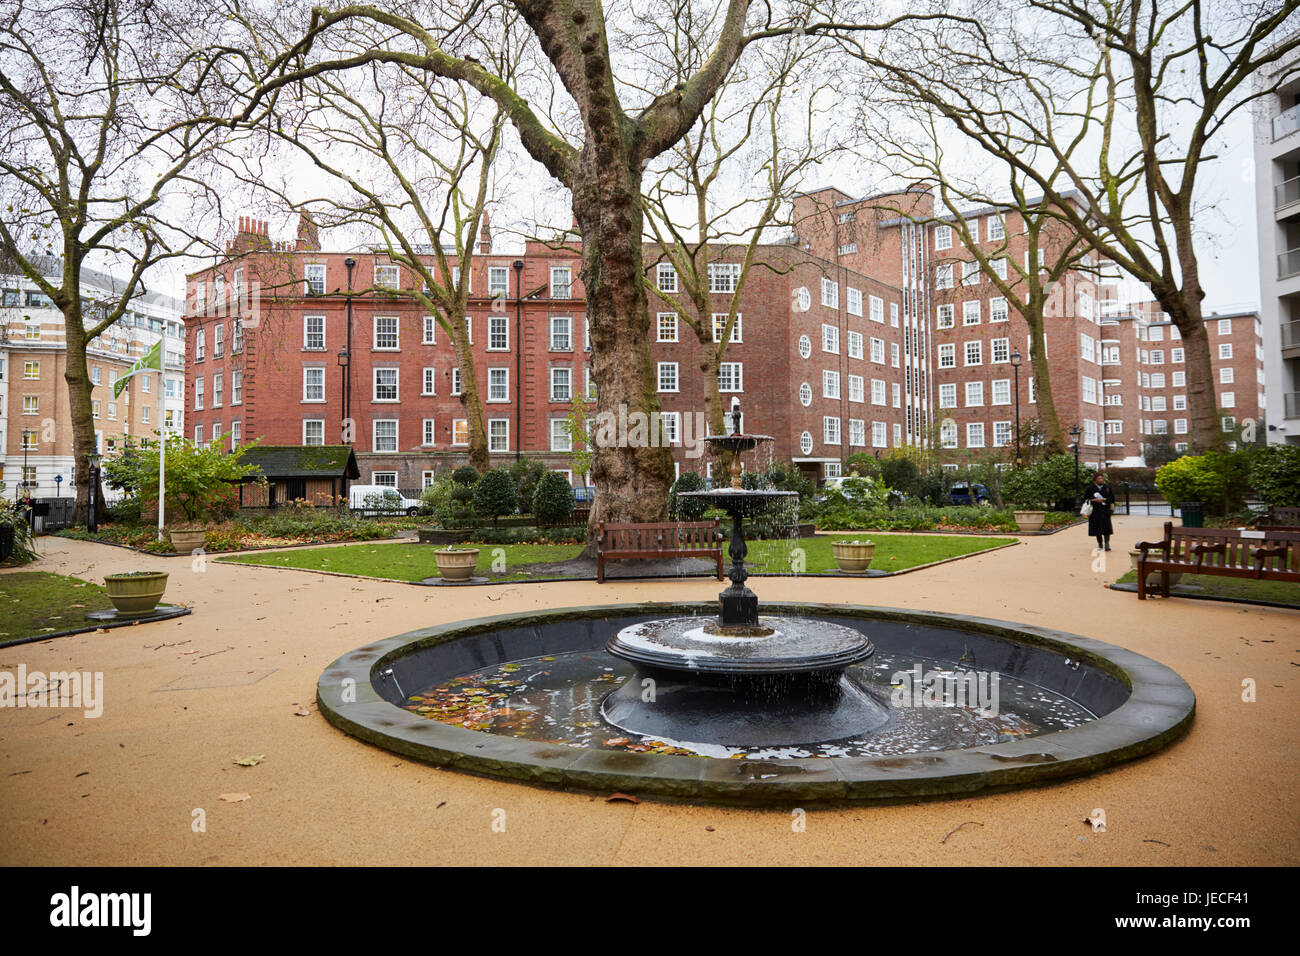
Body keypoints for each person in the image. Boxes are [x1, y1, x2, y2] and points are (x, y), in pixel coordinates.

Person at [1087, 472, 1115, 551]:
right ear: (1095, 480)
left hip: (1105, 511)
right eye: (1099, 478)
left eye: (1102, 478)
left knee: (1107, 529)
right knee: (1097, 529)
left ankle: (1107, 544)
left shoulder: (1107, 488)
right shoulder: (1090, 488)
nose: (1101, 480)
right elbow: (1086, 499)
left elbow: (1112, 499)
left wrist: (1105, 499)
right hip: (1095, 512)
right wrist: (1094, 500)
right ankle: (1100, 543)